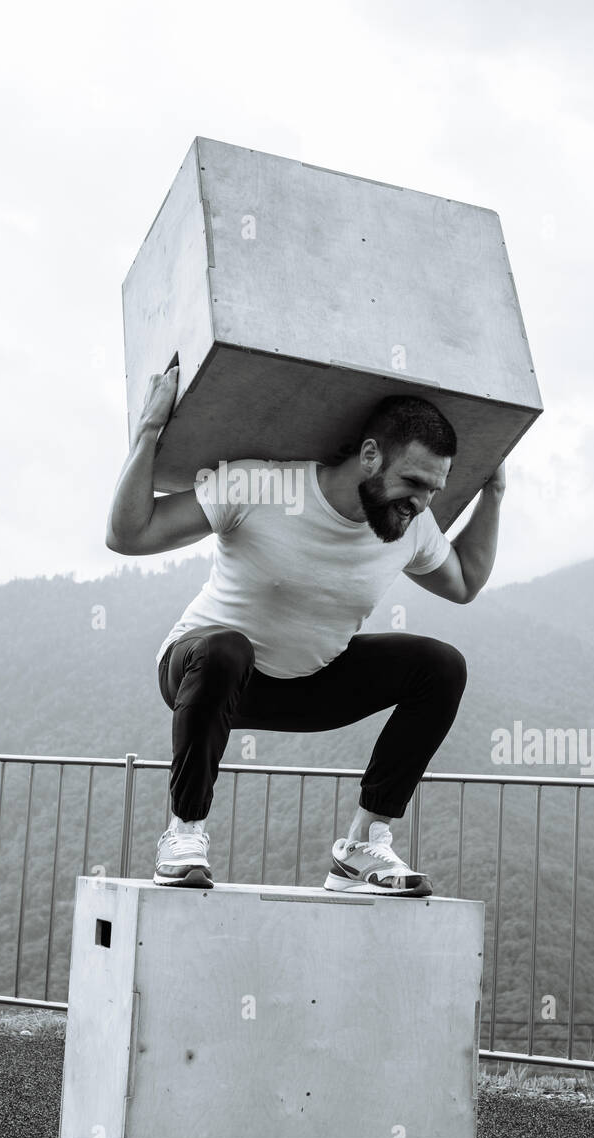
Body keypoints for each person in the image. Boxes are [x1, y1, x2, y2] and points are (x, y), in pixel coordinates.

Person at [106, 366, 505, 895]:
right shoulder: (259, 485)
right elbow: (128, 535)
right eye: (412, 482)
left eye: (433, 490)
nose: (421, 502)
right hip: (202, 672)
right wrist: (150, 431)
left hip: (308, 682)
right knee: (227, 648)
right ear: (369, 456)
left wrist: (494, 494)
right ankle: (183, 836)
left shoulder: (412, 529)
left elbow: (465, 583)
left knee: (440, 666)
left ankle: (361, 848)